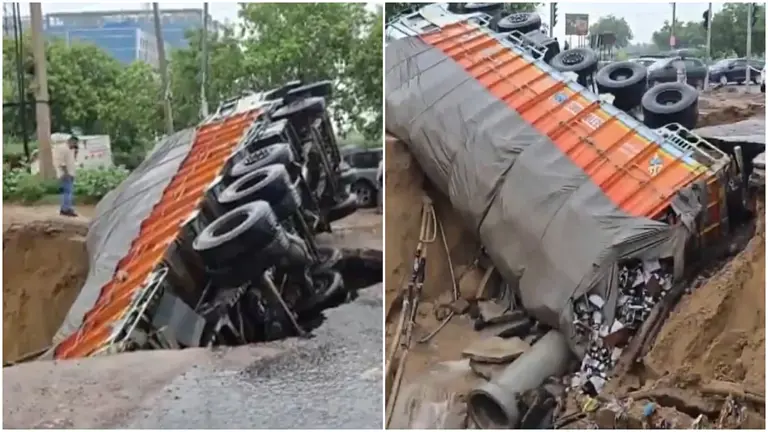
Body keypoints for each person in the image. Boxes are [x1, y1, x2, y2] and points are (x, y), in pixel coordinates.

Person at [53, 135, 79, 217]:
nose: (75, 145)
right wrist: (66, 173)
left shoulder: (70, 149)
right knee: (68, 192)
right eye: (75, 143)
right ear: (71, 141)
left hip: (69, 173)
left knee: (67, 192)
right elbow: (62, 163)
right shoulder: (63, 148)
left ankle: (65, 208)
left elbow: (72, 161)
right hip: (65, 174)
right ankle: (66, 209)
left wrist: (76, 151)